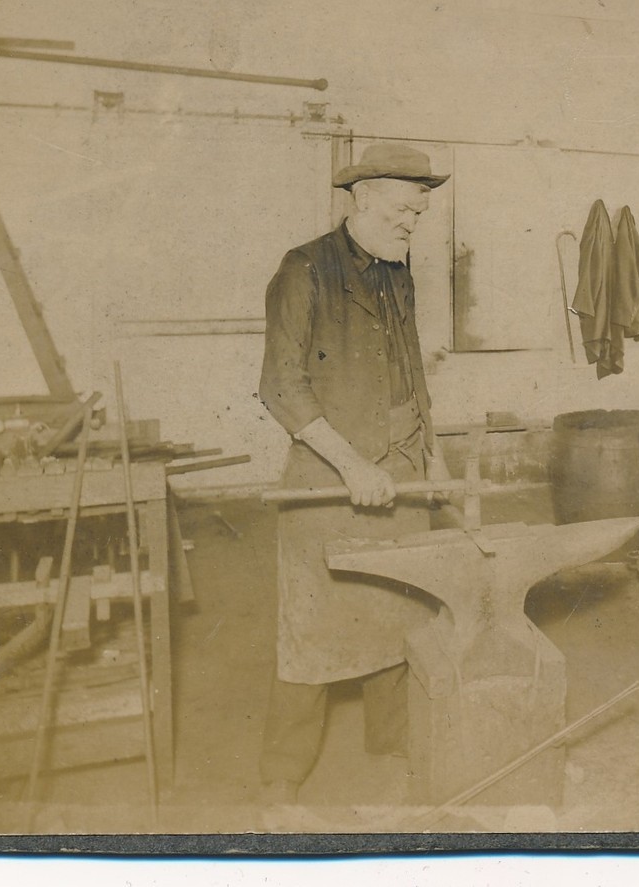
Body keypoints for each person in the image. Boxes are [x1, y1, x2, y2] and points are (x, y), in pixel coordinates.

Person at [256, 142, 450, 801]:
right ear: (362, 197)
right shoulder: (303, 268)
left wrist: (435, 452)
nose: (410, 222)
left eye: (418, 213)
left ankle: (390, 747)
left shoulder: (398, 268)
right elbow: (281, 386)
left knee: (400, 615)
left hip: (400, 466)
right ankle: (281, 783)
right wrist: (352, 466)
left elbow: (411, 370)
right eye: (401, 210)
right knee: (313, 634)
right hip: (326, 475)